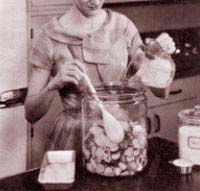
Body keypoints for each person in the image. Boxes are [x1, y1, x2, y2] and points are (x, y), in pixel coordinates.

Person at [25, 0, 176, 154]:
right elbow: (31, 113)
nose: (95, 1)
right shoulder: (49, 35)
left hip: (120, 131)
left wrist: (160, 57)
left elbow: (160, 92)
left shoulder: (123, 26)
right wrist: (54, 84)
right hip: (74, 137)